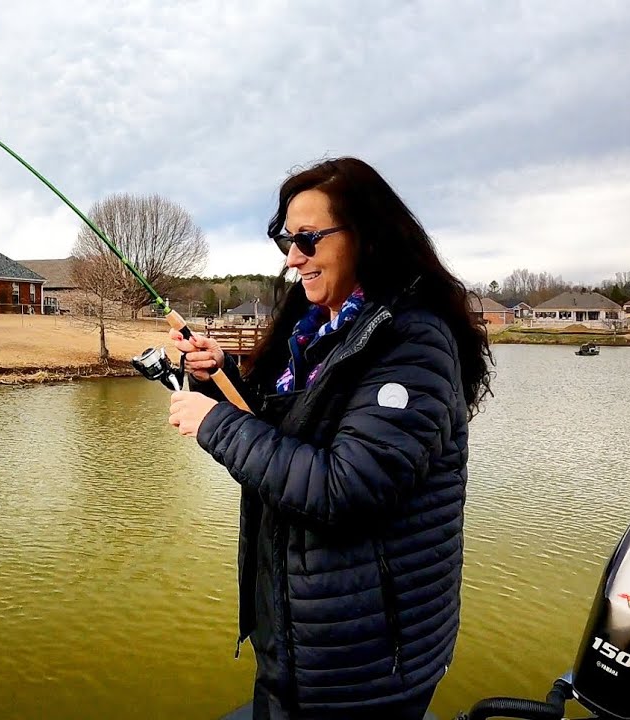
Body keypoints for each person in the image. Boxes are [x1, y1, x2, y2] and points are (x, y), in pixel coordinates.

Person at [166, 157, 492, 719]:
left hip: (367, 666)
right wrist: (220, 381)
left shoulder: (412, 342)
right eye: (286, 240)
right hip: (302, 642)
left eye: (308, 240)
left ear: (366, 236)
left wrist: (213, 423)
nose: (294, 258)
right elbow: (290, 437)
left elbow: (344, 488)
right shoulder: (322, 330)